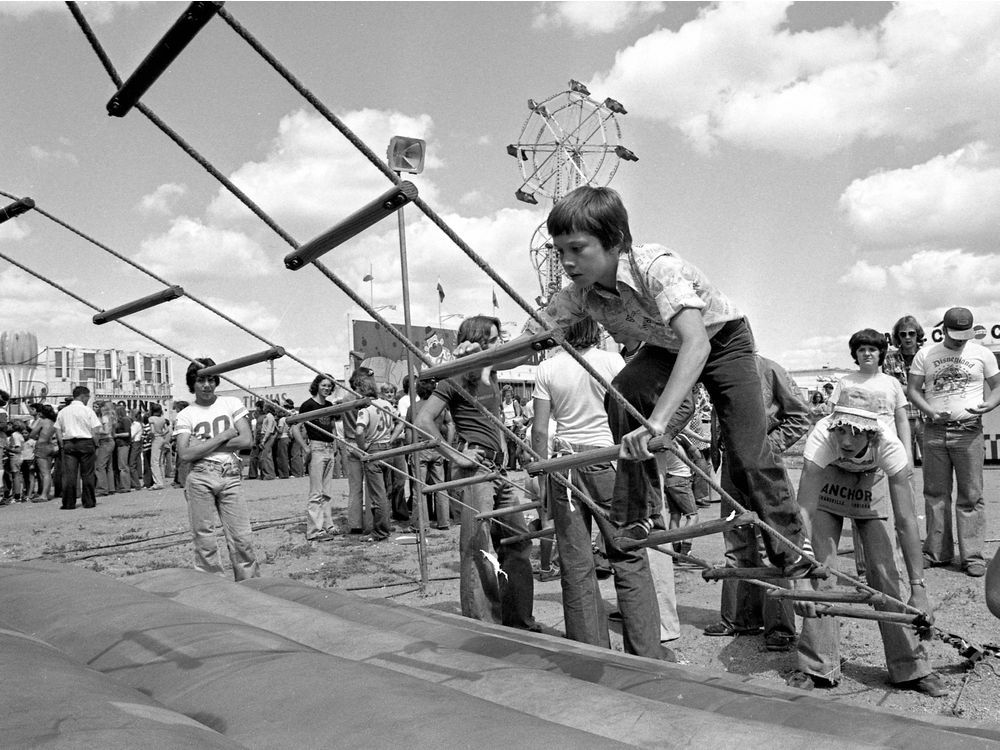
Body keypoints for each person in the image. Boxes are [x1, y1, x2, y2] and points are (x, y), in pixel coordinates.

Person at [532, 186, 811, 572]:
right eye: (559, 251)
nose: (567, 261)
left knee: (747, 449)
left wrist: (657, 422)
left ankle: (790, 543)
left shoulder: (656, 267)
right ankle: (638, 510)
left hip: (720, 340)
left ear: (613, 242)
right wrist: (475, 359)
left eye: (577, 249)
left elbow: (696, 344)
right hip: (666, 346)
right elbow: (532, 337)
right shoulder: (580, 293)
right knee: (624, 393)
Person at [531, 317, 680, 656]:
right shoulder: (612, 362)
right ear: (596, 331)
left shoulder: (548, 369)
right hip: (608, 458)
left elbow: (540, 431)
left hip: (563, 466)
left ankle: (590, 648)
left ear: (564, 333)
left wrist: (541, 479)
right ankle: (645, 649)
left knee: (575, 560)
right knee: (628, 554)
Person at [786, 393, 946, 697]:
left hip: (871, 482)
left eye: (857, 432)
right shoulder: (821, 437)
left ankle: (910, 666)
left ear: (873, 433)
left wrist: (919, 588)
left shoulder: (891, 447)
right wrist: (800, 578)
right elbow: (803, 511)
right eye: (842, 430)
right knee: (821, 570)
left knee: (885, 572)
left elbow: (907, 522)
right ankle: (817, 666)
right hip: (830, 481)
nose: (847, 440)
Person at [416, 315, 538, 631]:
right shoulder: (454, 377)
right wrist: (455, 454)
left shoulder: (490, 369)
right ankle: (484, 622)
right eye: (494, 339)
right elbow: (424, 419)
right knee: (479, 546)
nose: (499, 345)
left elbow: (521, 353)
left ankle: (519, 618)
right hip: (478, 467)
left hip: (500, 469)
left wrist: (541, 334)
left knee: (517, 542)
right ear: (479, 341)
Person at [703, 355, 809, 652]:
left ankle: (780, 627)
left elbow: (800, 415)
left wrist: (765, 449)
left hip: (763, 468)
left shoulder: (771, 370)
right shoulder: (719, 368)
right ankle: (739, 618)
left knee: (771, 544)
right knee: (735, 543)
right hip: (732, 470)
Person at [907, 307, 1000, 578]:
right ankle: (937, 552)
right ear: (944, 329)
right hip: (934, 431)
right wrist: (930, 411)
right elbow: (914, 389)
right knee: (935, 494)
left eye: (965, 335)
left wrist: (989, 405)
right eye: (955, 334)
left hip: (969, 431)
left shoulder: (981, 354)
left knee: (971, 495)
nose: (960, 340)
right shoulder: (926, 354)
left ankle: (972, 556)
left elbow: (998, 386)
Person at [174, 358, 260, 581]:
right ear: (192, 383)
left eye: (211, 379)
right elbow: (185, 454)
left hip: (230, 474)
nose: (206, 385)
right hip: (200, 476)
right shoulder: (185, 414)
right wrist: (223, 435)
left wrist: (202, 445)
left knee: (242, 538)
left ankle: (250, 586)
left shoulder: (231, 403)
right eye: (200, 379)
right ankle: (213, 589)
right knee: (205, 540)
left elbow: (246, 440)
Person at [293, 374, 342, 542]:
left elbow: (332, 427)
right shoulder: (308, 405)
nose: (327, 389)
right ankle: (314, 530)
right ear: (317, 386)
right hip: (317, 448)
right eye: (324, 385)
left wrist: (334, 444)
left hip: (329, 449)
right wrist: (306, 447)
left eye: (329, 386)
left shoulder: (329, 405)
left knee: (327, 492)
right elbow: (295, 427)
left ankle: (328, 525)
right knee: (316, 492)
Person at [406, 377, 455, 531]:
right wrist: (447, 445)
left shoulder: (413, 408)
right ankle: (443, 521)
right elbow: (451, 425)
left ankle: (421, 524)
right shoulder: (440, 407)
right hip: (437, 446)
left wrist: (410, 449)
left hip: (420, 447)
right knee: (441, 486)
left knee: (419, 488)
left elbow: (409, 431)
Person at [353, 370, 394, 542]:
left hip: (374, 450)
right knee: (386, 491)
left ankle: (380, 531)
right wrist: (391, 437)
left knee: (378, 496)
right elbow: (399, 422)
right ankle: (386, 524)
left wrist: (362, 447)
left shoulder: (366, 409)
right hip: (388, 448)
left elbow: (359, 430)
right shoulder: (386, 404)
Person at [883, 315, 926, 464]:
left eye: (911, 333)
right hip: (902, 417)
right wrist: (918, 387)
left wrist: (906, 388)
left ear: (918, 335)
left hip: (926, 416)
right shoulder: (888, 359)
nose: (907, 337)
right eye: (903, 334)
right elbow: (892, 389)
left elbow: (934, 385)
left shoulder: (927, 357)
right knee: (903, 463)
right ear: (897, 337)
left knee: (932, 464)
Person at [54, 385, 102, 509]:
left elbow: (58, 429)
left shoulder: (63, 411)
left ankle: (69, 503)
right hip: (86, 442)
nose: (88, 400)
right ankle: (89, 501)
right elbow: (96, 430)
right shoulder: (88, 411)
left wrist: (62, 445)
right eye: (88, 397)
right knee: (87, 474)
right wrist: (96, 444)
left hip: (69, 443)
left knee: (70, 475)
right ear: (83, 396)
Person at [29, 403, 58, 502]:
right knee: (48, 472)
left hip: (41, 446)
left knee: (44, 473)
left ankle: (44, 495)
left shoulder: (42, 421)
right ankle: (47, 492)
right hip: (50, 446)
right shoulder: (54, 422)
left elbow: (32, 434)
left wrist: (36, 437)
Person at [94, 402, 116, 496]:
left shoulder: (104, 418)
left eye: (96, 407)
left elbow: (106, 431)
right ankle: (111, 488)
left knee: (100, 466)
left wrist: (96, 431)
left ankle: (102, 489)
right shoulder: (109, 417)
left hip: (105, 441)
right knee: (108, 466)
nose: (94, 409)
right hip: (109, 441)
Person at [148, 403, 169, 490]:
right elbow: (167, 430)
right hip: (162, 438)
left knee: (154, 462)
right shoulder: (163, 419)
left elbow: (152, 431)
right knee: (161, 461)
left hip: (156, 439)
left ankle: (158, 482)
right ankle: (162, 480)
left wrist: (150, 435)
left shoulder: (151, 418)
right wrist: (162, 434)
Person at [113, 404, 132, 493]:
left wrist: (116, 435)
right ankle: (121, 485)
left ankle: (125, 486)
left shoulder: (125, 420)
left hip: (124, 444)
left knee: (123, 466)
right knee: (120, 465)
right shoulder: (120, 420)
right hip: (119, 444)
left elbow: (127, 433)